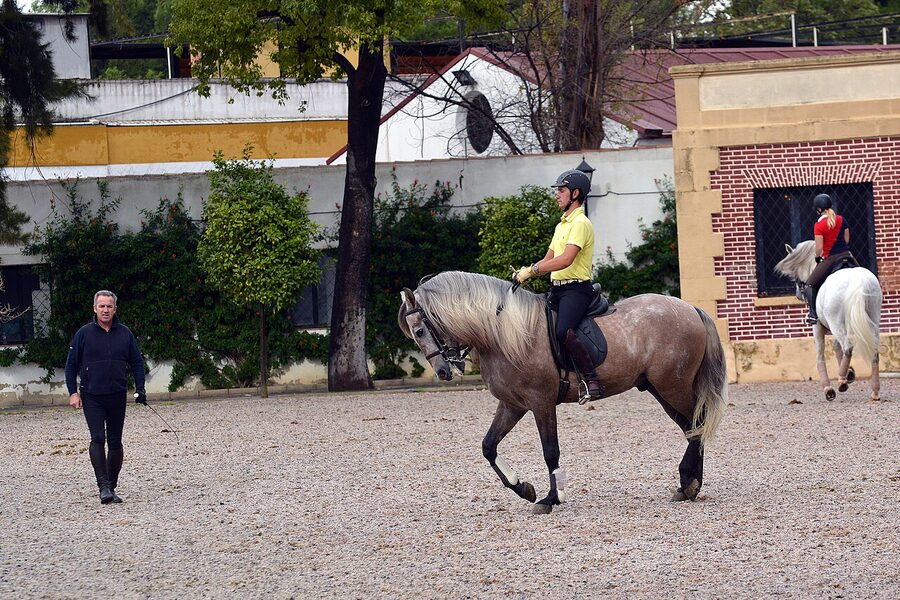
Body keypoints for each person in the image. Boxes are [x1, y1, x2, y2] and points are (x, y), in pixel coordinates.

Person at [514, 169, 602, 399]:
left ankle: (591, 378)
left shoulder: (580, 223)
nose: (557, 195)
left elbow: (566, 260)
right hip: (558, 289)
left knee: (563, 330)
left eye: (561, 190)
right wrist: (526, 272)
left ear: (575, 193)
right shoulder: (562, 225)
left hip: (577, 289)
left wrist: (533, 270)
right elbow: (548, 260)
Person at [66, 290, 146, 504]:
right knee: (97, 438)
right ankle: (102, 486)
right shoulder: (83, 334)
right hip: (92, 395)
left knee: (115, 442)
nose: (105, 310)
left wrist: (140, 389)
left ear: (115, 309)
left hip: (117, 395)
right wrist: (73, 392)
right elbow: (71, 364)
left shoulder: (125, 333)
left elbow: (137, 362)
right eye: (101, 306)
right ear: (95, 308)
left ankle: (111, 485)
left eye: (109, 306)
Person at [804, 193, 859, 325]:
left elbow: (819, 248)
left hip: (831, 258)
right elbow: (846, 240)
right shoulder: (841, 219)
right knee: (863, 275)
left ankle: (813, 314)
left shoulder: (819, 225)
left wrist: (817, 258)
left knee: (810, 284)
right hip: (847, 255)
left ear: (818, 209)